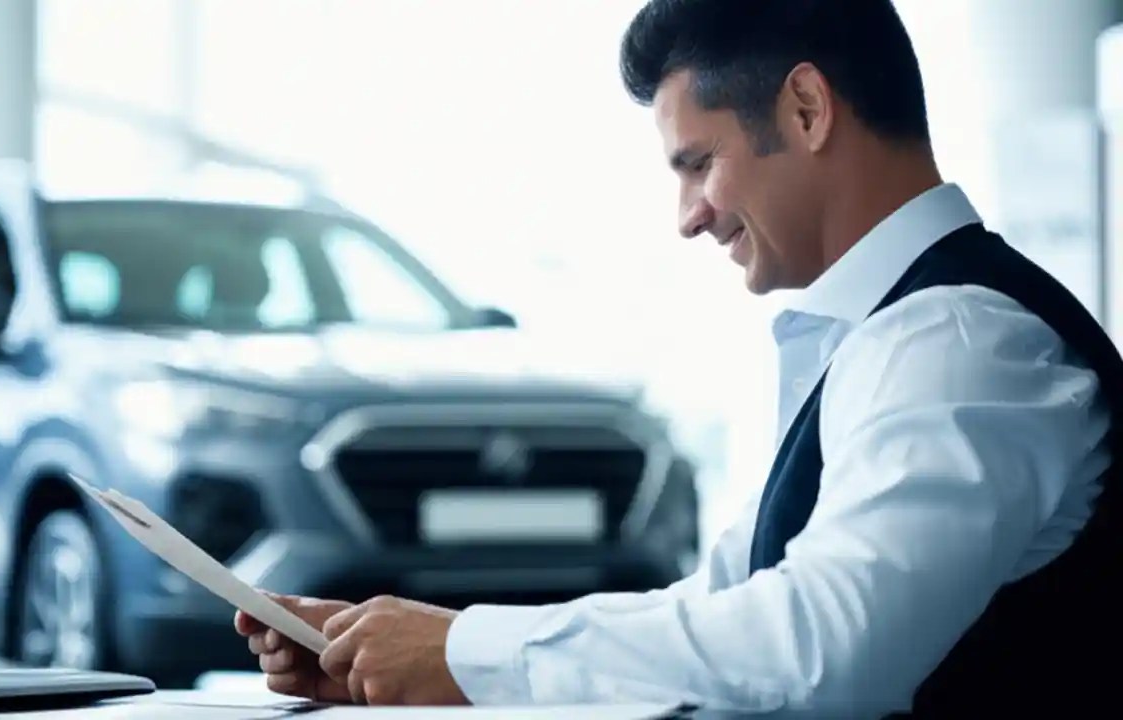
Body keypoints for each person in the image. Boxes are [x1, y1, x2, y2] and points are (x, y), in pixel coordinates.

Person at [235, 0, 1123, 715]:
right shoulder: (892, 334)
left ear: (806, 109)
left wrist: (463, 655)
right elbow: (719, 608)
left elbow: (824, 650)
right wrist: (428, 648)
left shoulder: (961, 340)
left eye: (699, 164)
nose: (689, 214)